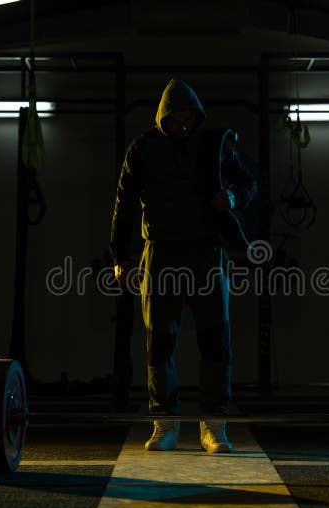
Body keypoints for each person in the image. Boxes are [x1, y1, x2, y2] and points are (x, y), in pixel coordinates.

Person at [109, 78, 257, 453]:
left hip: (207, 254)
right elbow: (124, 203)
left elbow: (248, 183)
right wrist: (121, 257)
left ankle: (214, 425)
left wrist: (235, 199)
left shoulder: (213, 145)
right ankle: (165, 423)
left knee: (216, 340)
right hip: (160, 254)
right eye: (177, 120)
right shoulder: (143, 148)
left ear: (197, 117)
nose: (184, 127)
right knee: (159, 342)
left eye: (190, 120)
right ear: (164, 118)